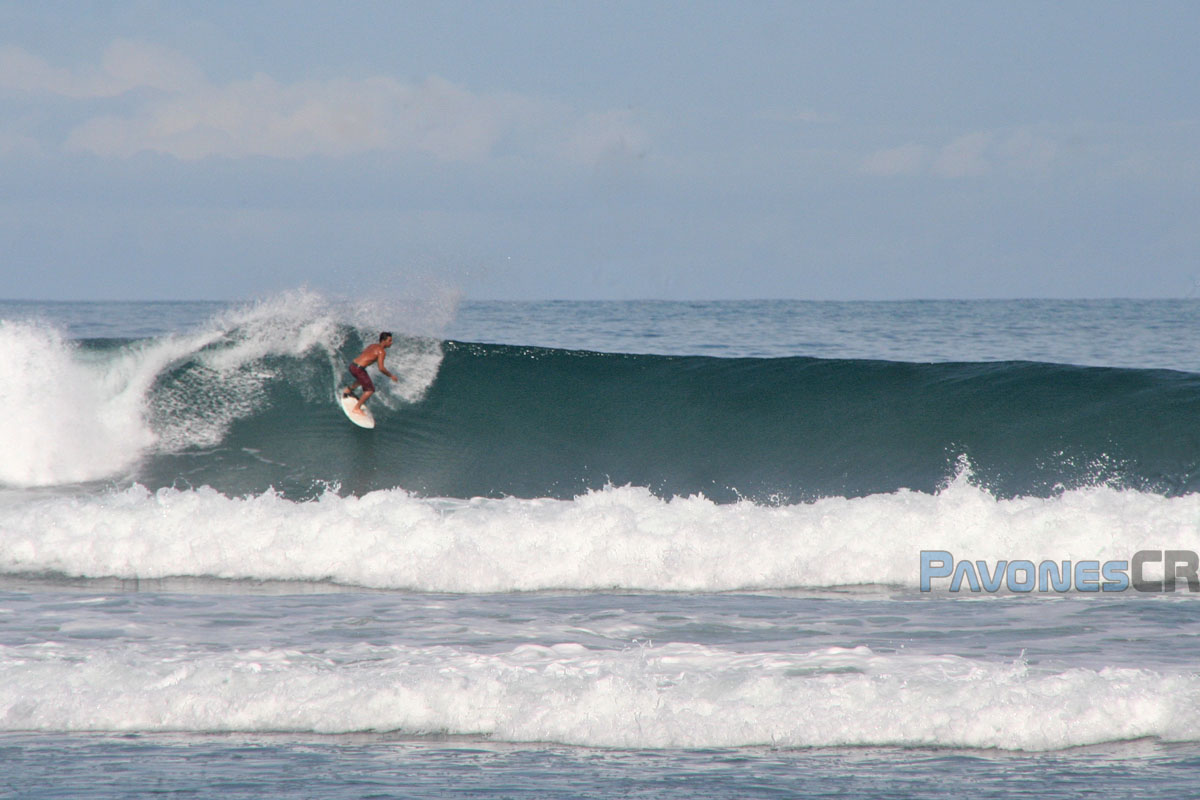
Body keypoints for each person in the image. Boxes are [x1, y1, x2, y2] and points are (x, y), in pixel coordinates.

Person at [343, 331, 398, 414]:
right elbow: (381, 368)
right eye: (389, 340)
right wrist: (391, 376)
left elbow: (365, 354)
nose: (391, 342)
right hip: (359, 369)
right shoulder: (382, 352)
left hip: (353, 365)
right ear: (383, 341)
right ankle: (356, 408)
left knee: (362, 380)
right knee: (370, 390)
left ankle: (347, 391)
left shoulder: (372, 345)